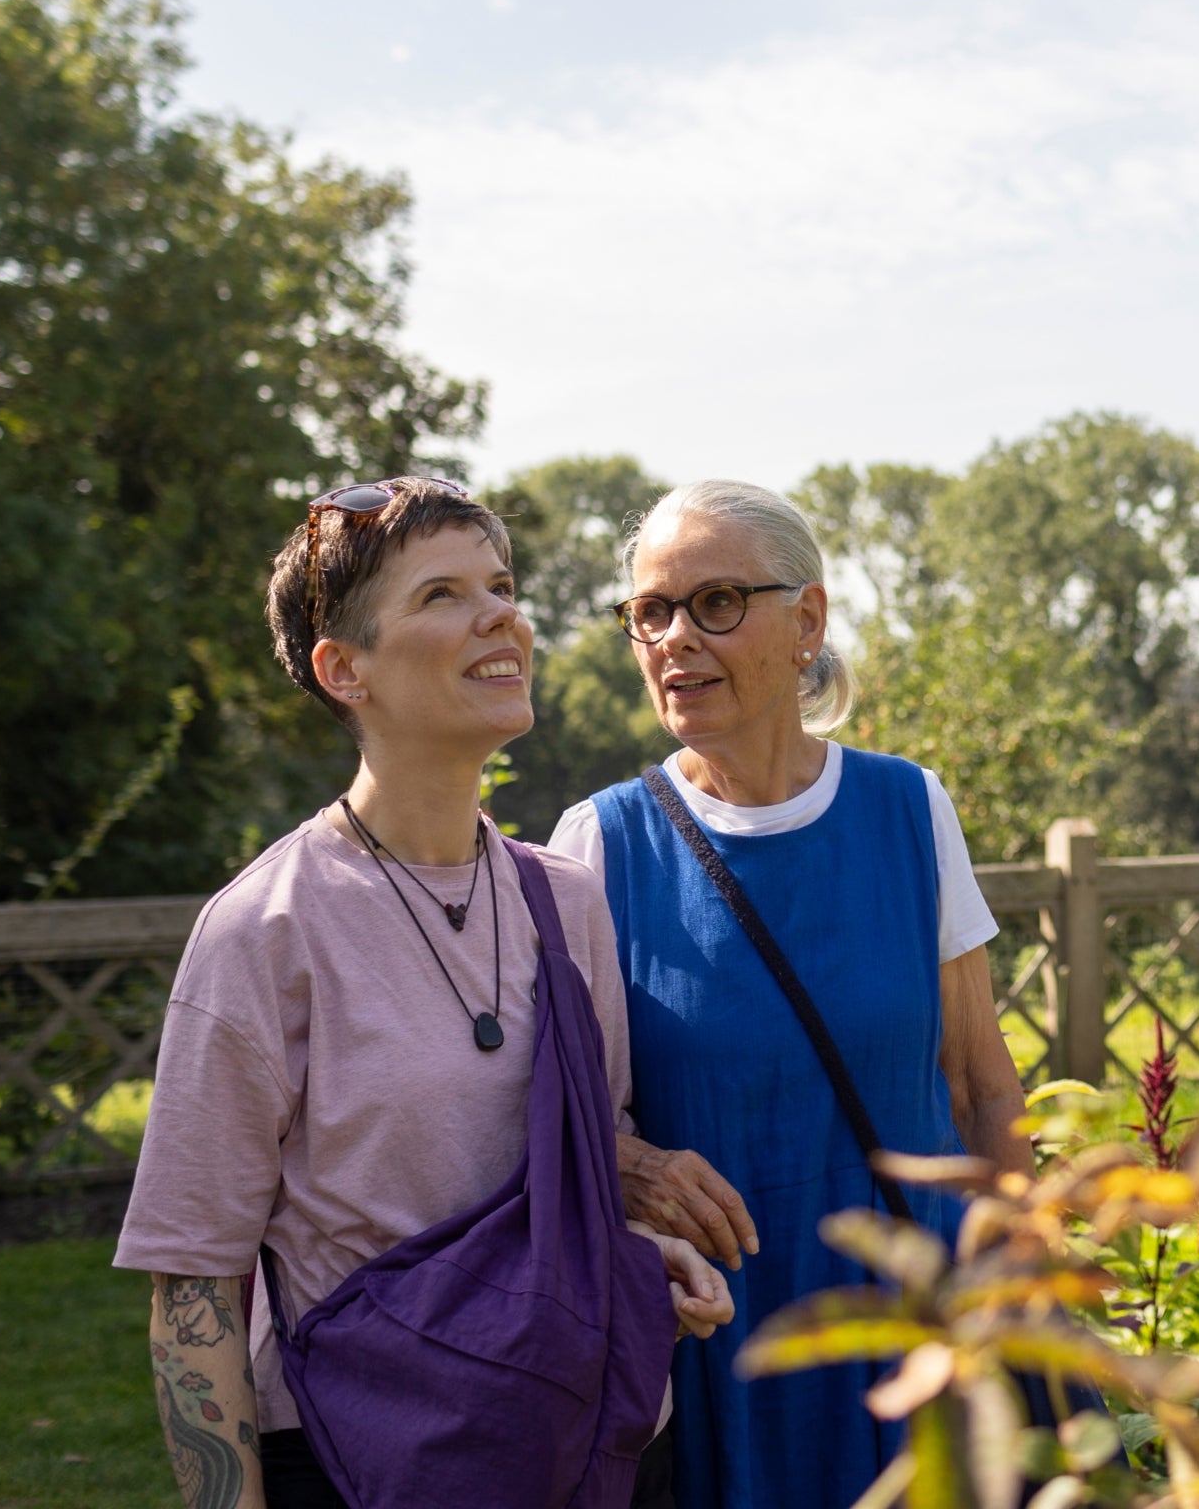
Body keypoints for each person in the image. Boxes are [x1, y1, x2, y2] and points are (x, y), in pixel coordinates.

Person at [116, 476, 731, 1509]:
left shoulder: (566, 903)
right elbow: (194, 1286)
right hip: (370, 1458)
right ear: (343, 668)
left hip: (590, 1436)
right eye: (443, 594)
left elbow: (579, 1178)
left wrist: (643, 1255)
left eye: (501, 583)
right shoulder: (266, 931)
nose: (502, 613)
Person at [550, 478, 1032, 1509]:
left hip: (923, 1329)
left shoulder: (909, 808)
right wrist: (628, 1163)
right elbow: (554, 1120)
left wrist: (1022, 1287)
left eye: (716, 602)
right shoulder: (600, 845)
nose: (674, 638)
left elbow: (981, 1083)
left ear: (806, 619)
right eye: (650, 612)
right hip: (725, 1343)